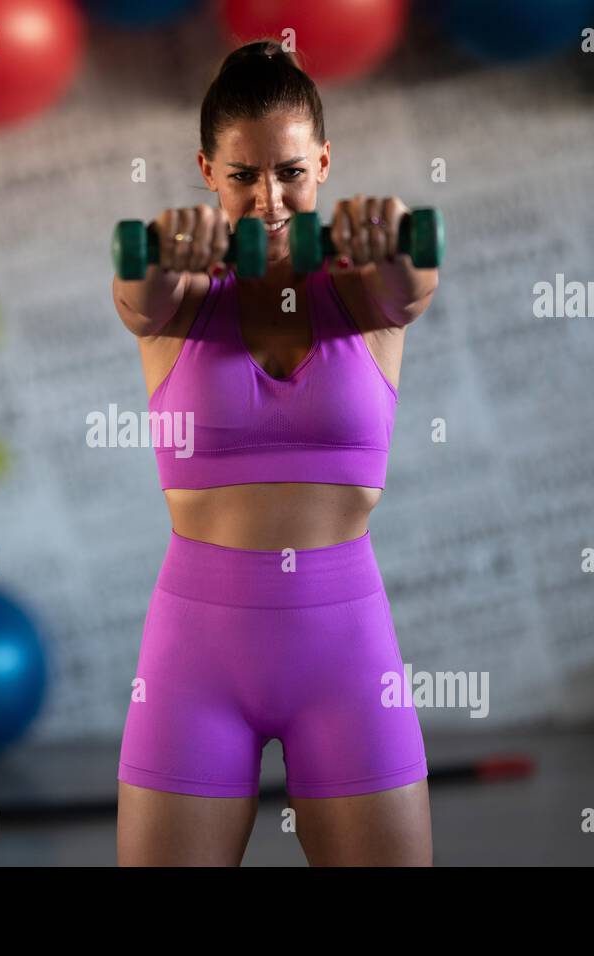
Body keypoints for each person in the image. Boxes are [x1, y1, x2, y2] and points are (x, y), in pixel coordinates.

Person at [112, 39, 439, 866]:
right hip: (196, 656)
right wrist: (153, 246)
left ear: (324, 162)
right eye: (242, 176)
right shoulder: (185, 291)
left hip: (347, 648)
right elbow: (133, 288)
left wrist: (399, 230)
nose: (269, 199)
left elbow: (414, 278)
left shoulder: (363, 284)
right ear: (206, 171)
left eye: (291, 171)